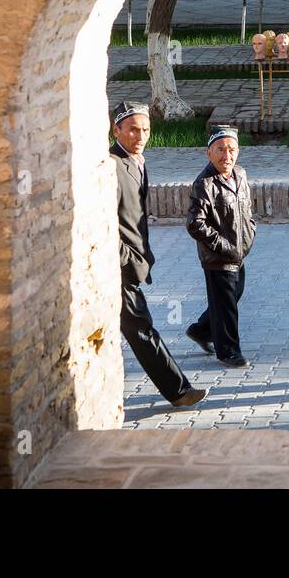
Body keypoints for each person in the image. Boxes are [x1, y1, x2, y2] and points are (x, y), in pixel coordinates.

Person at [110, 101, 206, 408]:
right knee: (140, 327)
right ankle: (178, 391)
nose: (140, 136)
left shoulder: (136, 160)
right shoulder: (111, 165)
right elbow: (104, 220)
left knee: (136, 327)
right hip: (120, 264)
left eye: (146, 130)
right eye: (133, 130)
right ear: (117, 130)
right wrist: (127, 257)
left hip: (135, 259)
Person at [185, 125, 255, 368]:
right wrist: (223, 246)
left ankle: (202, 331)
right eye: (221, 150)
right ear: (209, 153)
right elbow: (195, 224)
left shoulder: (240, 174)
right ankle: (228, 351)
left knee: (233, 296)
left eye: (232, 149)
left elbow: (247, 211)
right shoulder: (203, 184)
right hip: (218, 258)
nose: (227, 155)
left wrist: (250, 232)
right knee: (226, 306)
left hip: (239, 252)